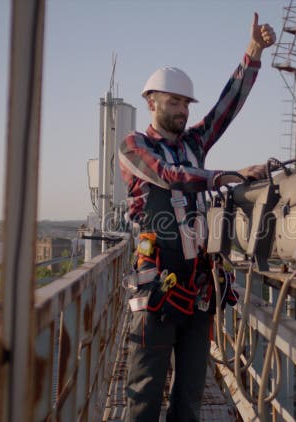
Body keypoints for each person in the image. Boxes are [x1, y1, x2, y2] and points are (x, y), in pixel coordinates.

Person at [118, 12, 275, 421]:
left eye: (186, 103)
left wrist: (253, 54)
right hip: (155, 289)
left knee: (188, 400)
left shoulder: (194, 143)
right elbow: (167, 177)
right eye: (174, 102)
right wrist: (223, 175)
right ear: (151, 102)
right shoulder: (133, 147)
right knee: (144, 395)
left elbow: (227, 107)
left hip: (196, 289)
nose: (182, 110)